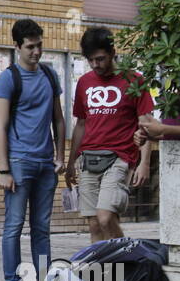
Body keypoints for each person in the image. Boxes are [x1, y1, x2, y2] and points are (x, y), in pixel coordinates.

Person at [0, 19, 66, 281]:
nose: (36, 52)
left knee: (42, 229)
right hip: (19, 162)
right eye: (30, 47)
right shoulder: (9, 78)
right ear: (17, 47)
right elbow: (0, 126)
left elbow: (58, 119)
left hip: (46, 164)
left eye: (39, 46)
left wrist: (60, 156)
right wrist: (3, 170)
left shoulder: (50, 74)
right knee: (13, 226)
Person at [65, 27, 154, 244]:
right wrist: (70, 162)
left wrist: (145, 163)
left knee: (106, 218)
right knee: (94, 225)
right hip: (88, 159)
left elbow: (146, 124)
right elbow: (81, 124)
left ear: (113, 52)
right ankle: (104, 278)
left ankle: (128, 264)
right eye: (91, 60)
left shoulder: (134, 80)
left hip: (119, 158)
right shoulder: (85, 82)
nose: (96, 65)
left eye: (100, 59)